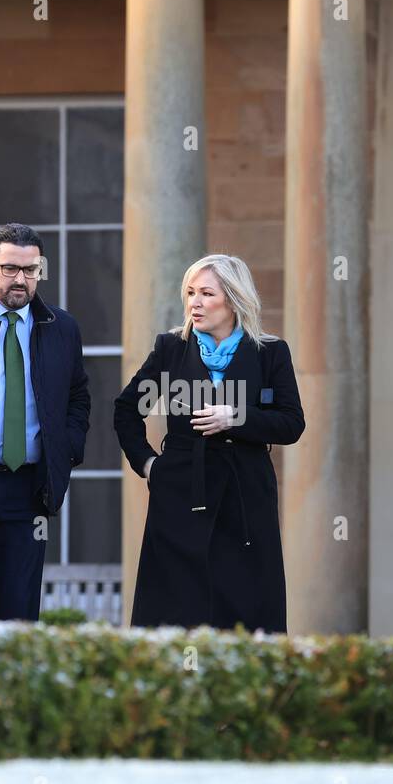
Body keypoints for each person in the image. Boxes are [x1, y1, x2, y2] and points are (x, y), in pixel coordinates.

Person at [114, 254, 304, 632]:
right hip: (180, 491)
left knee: (246, 606)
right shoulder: (171, 349)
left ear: (233, 300)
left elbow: (291, 423)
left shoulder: (270, 353)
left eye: (206, 293)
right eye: (190, 293)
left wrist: (237, 418)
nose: (194, 303)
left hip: (246, 495)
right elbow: (127, 409)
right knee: (176, 608)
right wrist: (150, 465)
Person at [0, 223, 91, 620]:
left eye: (31, 269)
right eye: (10, 268)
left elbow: (78, 397)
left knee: (20, 611)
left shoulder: (62, 327)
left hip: (27, 488)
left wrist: (65, 450)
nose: (20, 280)